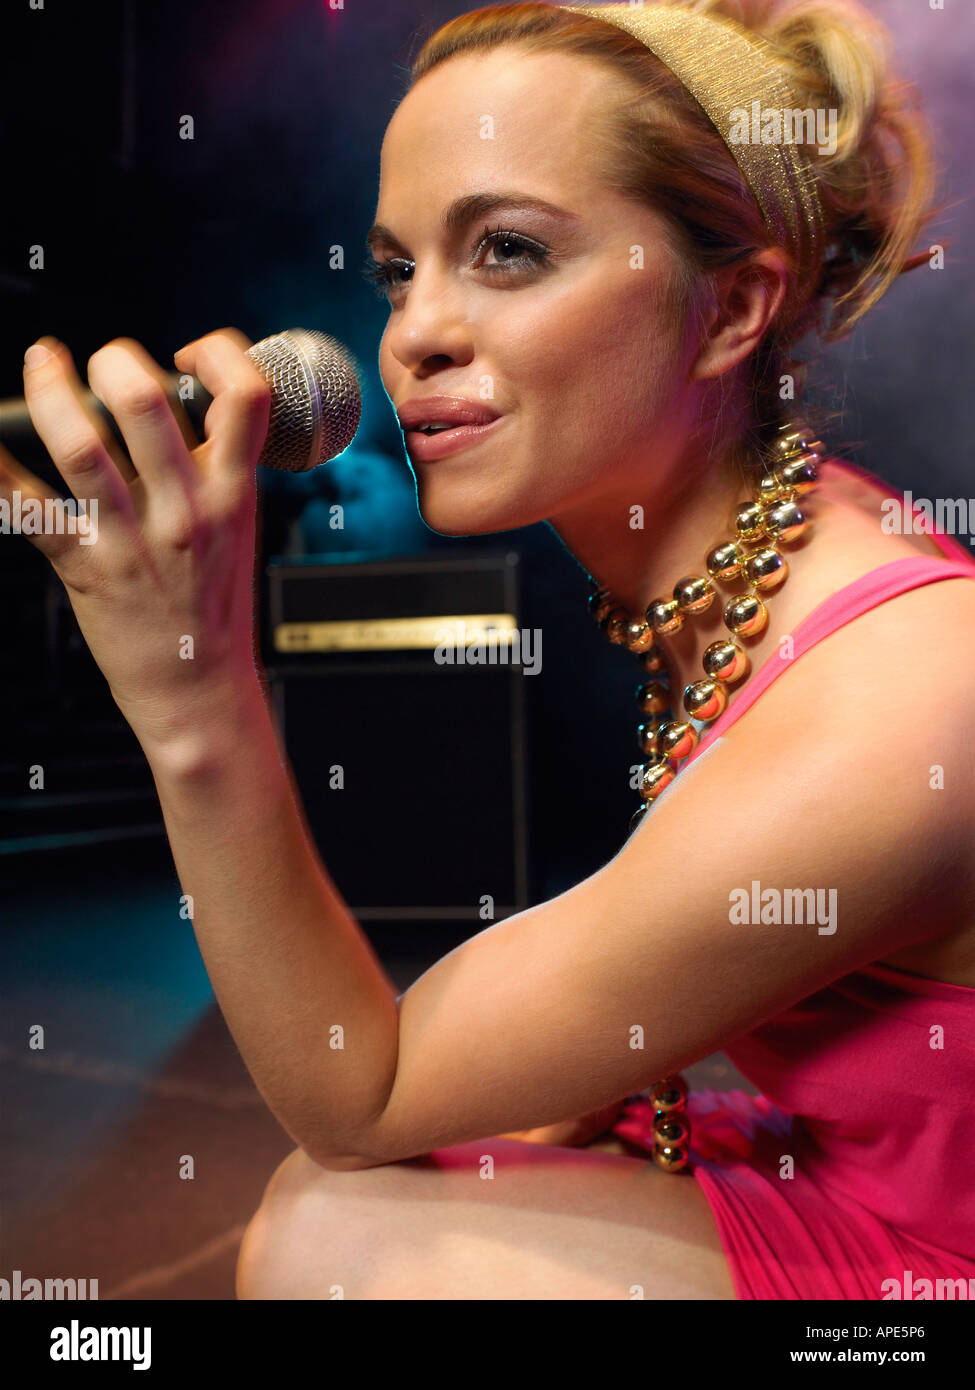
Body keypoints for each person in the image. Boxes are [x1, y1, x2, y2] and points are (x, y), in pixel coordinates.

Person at [4, 0, 974, 1300]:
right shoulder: (772, 551)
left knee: (334, 1236)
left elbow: (365, 1088)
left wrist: (191, 697)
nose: (414, 335)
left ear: (735, 306)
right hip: (865, 1174)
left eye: (507, 250)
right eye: (401, 269)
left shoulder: (899, 696)